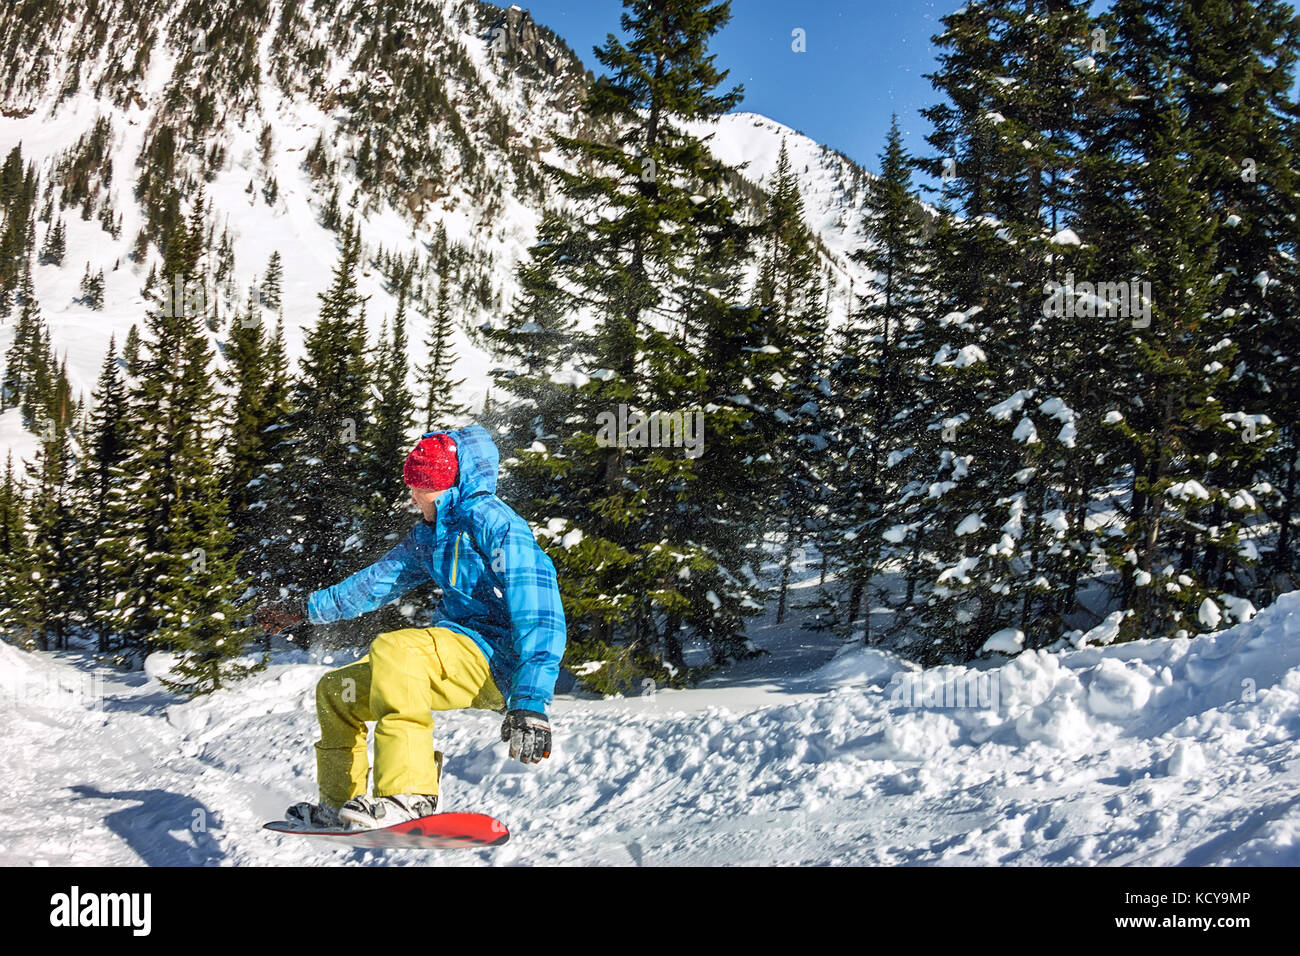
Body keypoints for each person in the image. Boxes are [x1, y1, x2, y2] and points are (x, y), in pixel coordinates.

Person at [255, 424, 567, 830]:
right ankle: (339, 806)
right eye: (413, 486)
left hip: (499, 659)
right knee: (336, 692)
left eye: (423, 489)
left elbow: (541, 611)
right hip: (454, 655)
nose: (414, 496)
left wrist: (530, 699)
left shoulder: (497, 525)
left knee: (397, 650)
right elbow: (373, 584)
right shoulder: (431, 535)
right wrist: (303, 609)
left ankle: (410, 795)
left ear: (450, 487)